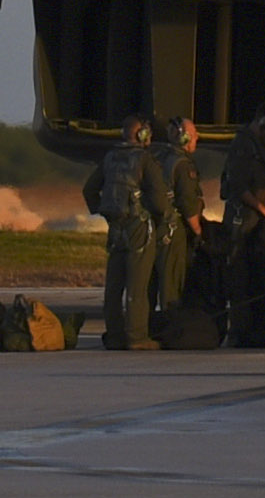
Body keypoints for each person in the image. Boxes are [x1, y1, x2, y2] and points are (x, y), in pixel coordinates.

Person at [83, 116, 157, 348]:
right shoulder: (144, 160)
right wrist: (160, 217)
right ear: (143, 135)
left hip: (115, 226)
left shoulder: (110, 157)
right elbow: (158, 196)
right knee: (138, 285)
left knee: (114, 284)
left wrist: (103, 211)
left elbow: (89, 189)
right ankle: (137, 337)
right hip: (138, 226)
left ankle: (114, 335)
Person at [150, 117, 208, 339]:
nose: (197, 139)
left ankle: (147, 326)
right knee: (171, 282)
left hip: (153, 227)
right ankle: (170, 329)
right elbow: (187, 204)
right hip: (173, 230)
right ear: (184, 138)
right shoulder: (182, 164)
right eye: (193, 135)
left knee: (152, 280)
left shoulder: (157, 156)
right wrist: (199, 232)